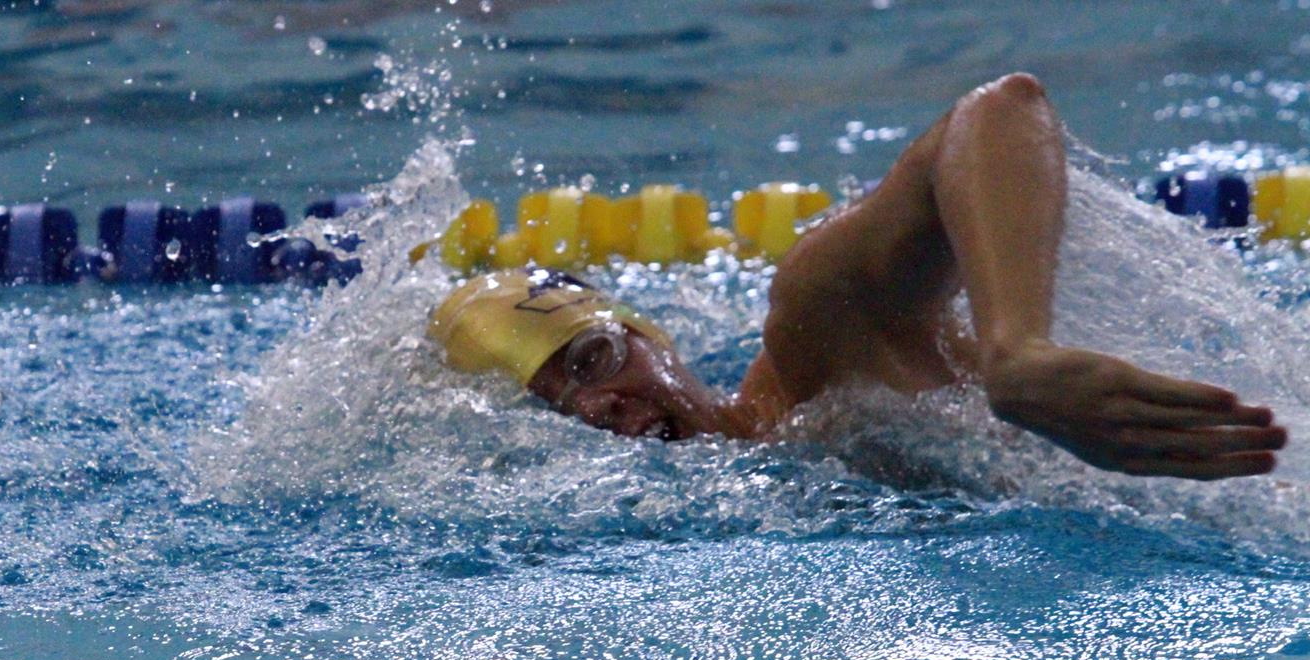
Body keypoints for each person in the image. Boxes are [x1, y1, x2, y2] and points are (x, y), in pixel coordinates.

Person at [427, 74, 1288, 480]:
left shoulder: (821, 339)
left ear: (653, 337)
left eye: (593, 358)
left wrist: (1017, 352)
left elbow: (1000, 109)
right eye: (556, 407)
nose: (596, 407)